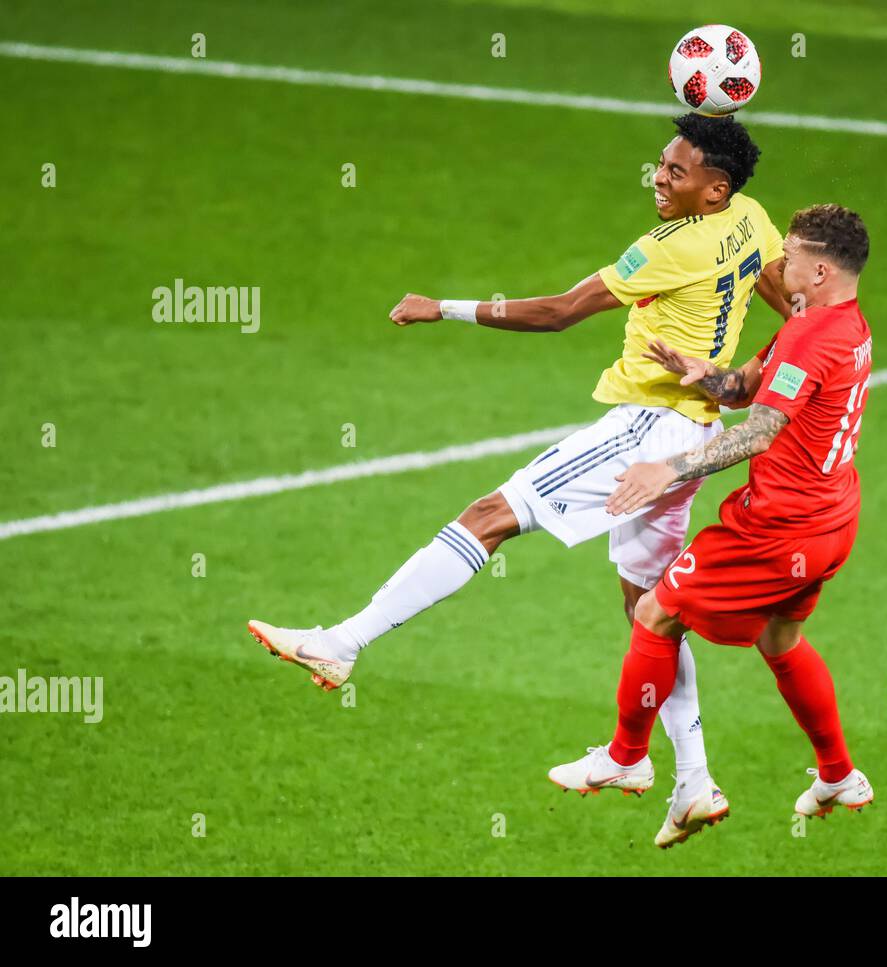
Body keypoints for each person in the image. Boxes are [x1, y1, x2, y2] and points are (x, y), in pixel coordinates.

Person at [247, 114, 791, 844]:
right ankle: (691, 778)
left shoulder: (667, 249)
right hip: (695, 436)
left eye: (675, 171)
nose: (657, 177)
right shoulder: (753, 221)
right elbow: (800, 311)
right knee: (650, 611)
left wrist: (445, 307)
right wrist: (752, 375)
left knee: (490, 515)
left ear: (712, 186)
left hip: (645, 430)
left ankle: (343, 641)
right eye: (659, 164)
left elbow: (561, 312)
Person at [549, 204, 874, 847]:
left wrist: (667, 469)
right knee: (780, 641)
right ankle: (838, 774)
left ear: (818, 267)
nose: (777, 265)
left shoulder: (812, 336)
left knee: (654, 613)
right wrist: (706, 377)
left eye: (789, 256)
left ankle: (624, 758)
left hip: (778, 528)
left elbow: (757, 434)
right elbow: (751, 387)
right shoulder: (843, 325)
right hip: (833, 519)